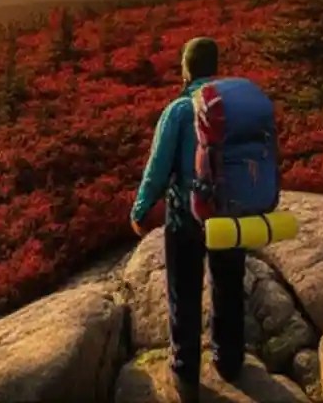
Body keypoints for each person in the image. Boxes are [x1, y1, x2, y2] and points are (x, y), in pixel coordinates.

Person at [130, 36, 247, 402]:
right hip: (232, 213)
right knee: (228, 286)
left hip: (187, 218)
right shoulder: (237, 105)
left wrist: (140, 209)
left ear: (187, 67)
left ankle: (185, 375)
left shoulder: (179, 110)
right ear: (215, 66)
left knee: (185, 294)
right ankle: (229, 362)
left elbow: (158, 168)